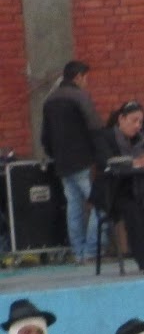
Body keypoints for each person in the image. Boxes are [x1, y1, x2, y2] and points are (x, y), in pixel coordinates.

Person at [94, 100, 144, 275]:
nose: (138, 126)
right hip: (116, 190)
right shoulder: (105, 137)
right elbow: (108, 163)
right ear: (121, 119)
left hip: (140, 188)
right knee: (134, 213)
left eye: (140, 122)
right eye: (133, 121)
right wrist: (135, 163)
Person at [41, 61, 101, 263]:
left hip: (62, 164)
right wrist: (100, 155)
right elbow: (95, 127)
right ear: (78, 77)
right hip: (84, 161)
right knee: (100, 204)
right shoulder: (80, 97)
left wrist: (55, 155)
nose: (87, 83)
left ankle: (78, 252)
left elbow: (45, 137)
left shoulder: (49, 101)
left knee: (73, 208)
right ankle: (92, 251)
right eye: (86, 78)